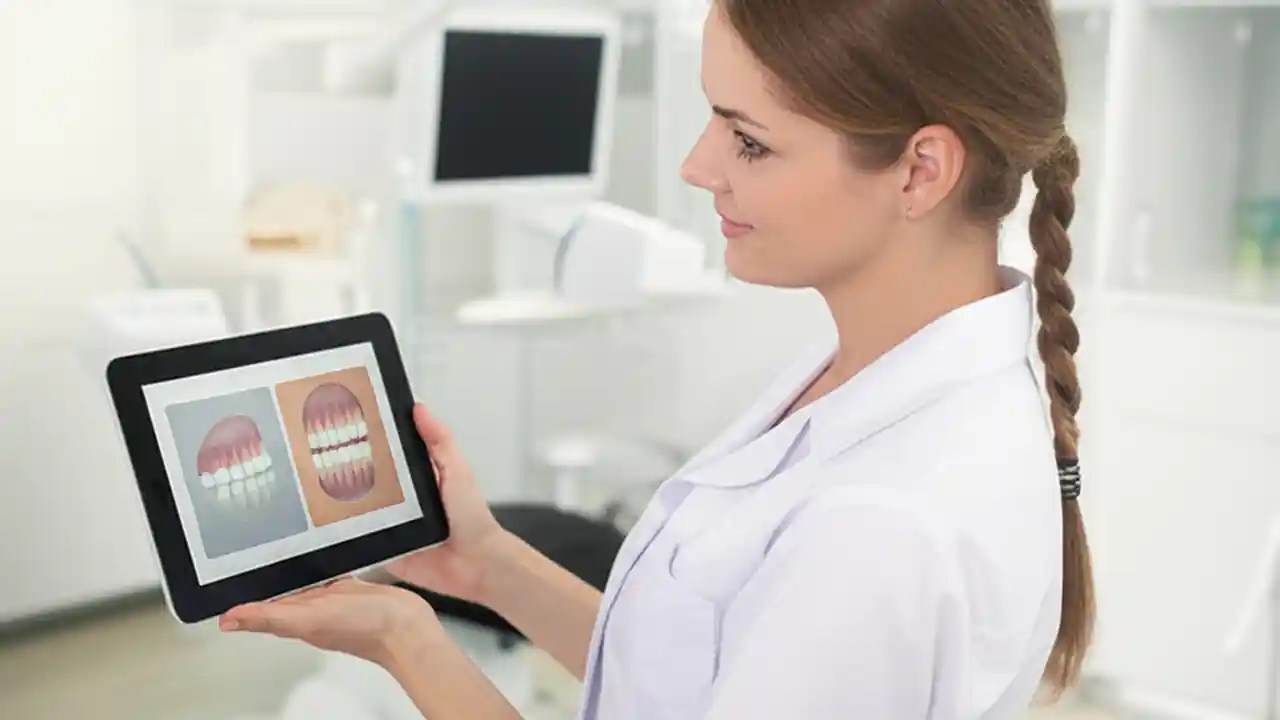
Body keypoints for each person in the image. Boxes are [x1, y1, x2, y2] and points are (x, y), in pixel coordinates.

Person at [220, 0, 1094, 716]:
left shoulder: (882, 525)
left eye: (749, 141)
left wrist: (405, 640)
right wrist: (486, 564)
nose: (697, 165)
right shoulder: (870, 378)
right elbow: (688, 682)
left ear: (920, 171)